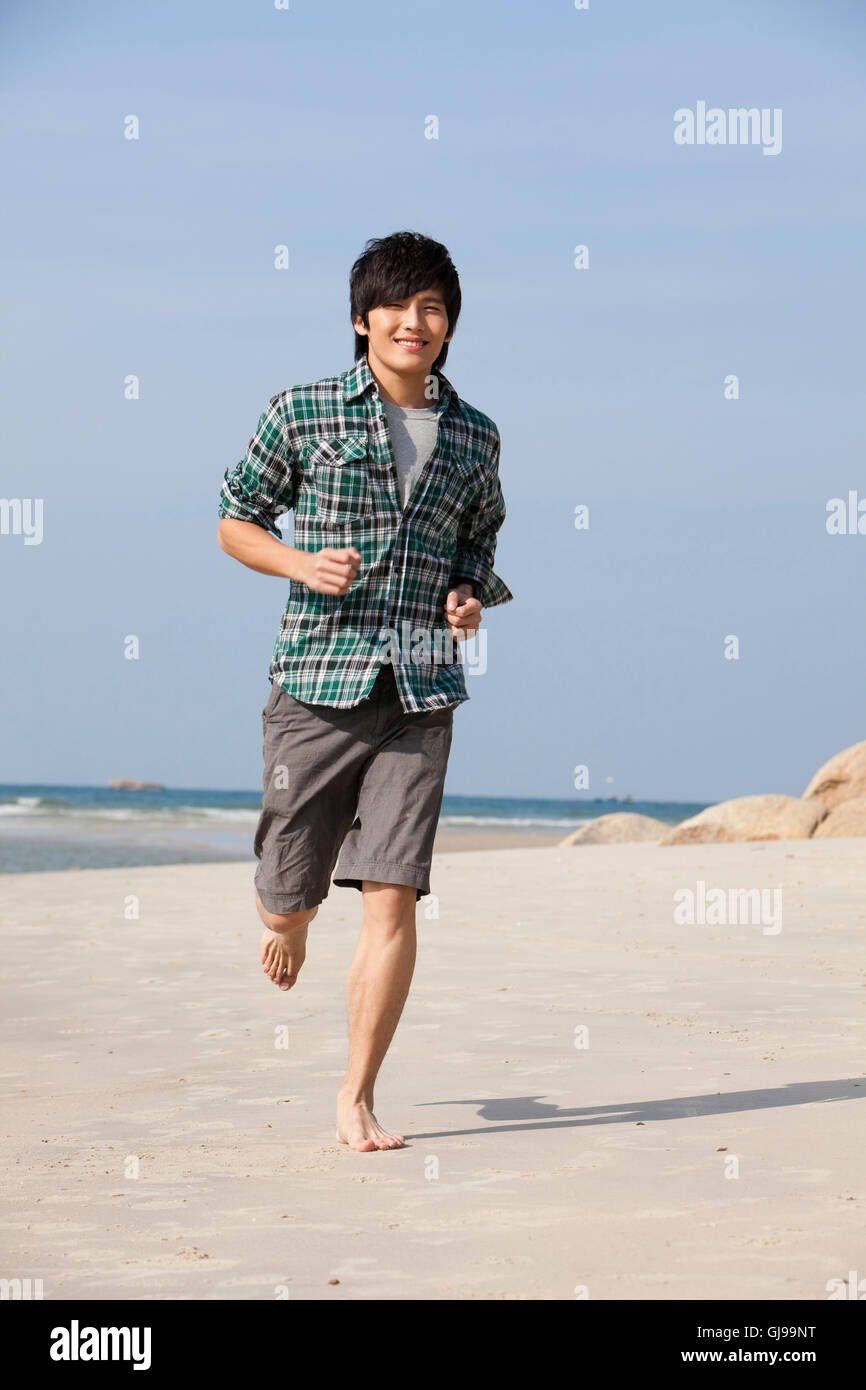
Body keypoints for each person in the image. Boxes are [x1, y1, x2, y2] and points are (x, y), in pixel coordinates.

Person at [217, 230, 513, 1151]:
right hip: (317, 682)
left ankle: (356, 1096)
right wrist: (302, 564)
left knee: (393, 895)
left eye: (432, 308)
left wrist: (466, 599)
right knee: (285, 887)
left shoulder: (474, 434)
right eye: (398, 306)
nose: (414, 322)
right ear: (362, 319)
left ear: (450, 326)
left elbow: (478, 544)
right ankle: (290, 915)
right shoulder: (301, 413)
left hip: (421, 690)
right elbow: (235, 520)